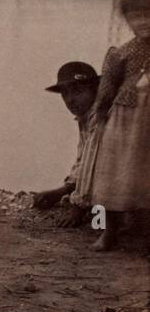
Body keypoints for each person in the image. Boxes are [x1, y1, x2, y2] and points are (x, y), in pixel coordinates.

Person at [88, 0, 150, 251]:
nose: (143, 22)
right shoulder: (121, 53)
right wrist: (100, 115)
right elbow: (107, 88)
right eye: (136, 17)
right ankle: (109, 232)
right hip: (125, 120)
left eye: (149, 14)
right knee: (114, 173)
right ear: (127, 20)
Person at [32, 61, 101, 225]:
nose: (70, 100)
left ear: (95, 89)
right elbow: (83, 162)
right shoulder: (85, 117)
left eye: (77, 91)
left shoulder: (101, 117)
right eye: (65, 94)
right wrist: (60, 192)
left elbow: (92, 167)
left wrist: (77, 208)